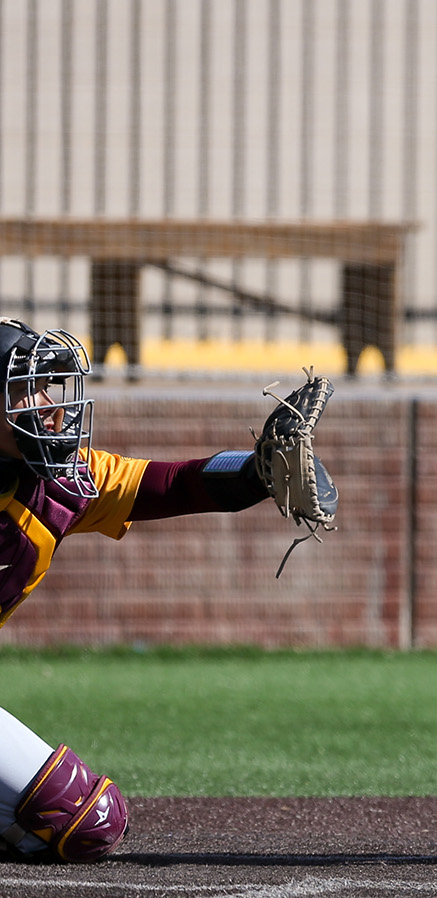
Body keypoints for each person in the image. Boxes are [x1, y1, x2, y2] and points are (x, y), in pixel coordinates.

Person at [0, 319, 333, 862]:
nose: (47, 405)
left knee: (87, 818)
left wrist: (255, 473)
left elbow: (176, 481)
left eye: (46, 386)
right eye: (22, 390)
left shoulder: (53, 482)